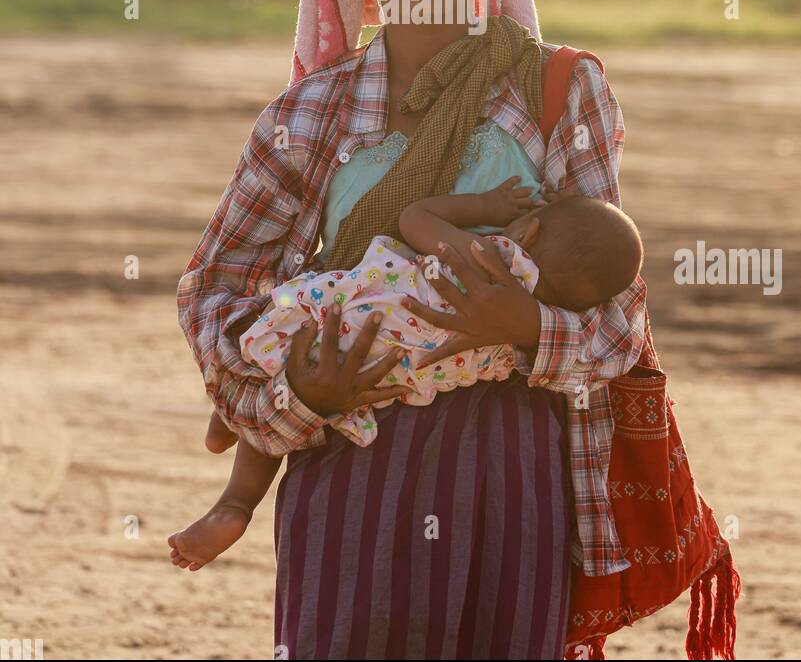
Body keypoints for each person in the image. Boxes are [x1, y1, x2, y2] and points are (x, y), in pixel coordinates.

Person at [174, 0, 649, 660]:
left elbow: (619, 321)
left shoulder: (557, 92)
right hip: (348, 453)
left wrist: (526, 329)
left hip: (512, 461)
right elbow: (215, 292)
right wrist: (297, 394)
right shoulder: (309, 113)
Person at [167, 180, 644, 569]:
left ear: (529, 232)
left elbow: (413, 218)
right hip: (398, 372)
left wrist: (486, 204)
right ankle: (237, 502)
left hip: (358, 316)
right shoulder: (527, 319)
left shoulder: (486, 254)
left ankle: (232, 424)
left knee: (285, 319)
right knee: (320, 385)